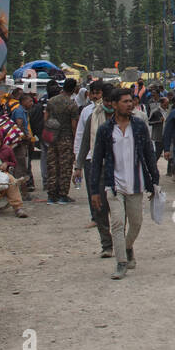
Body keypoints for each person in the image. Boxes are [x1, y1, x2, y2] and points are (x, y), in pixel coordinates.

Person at [88, 88, 159, 279]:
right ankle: (121, 263)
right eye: (125, 101)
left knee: (136, 223)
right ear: (114, 104)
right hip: (113, 184)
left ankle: (128, 247)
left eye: (131, 101)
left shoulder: (138, 126)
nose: (130, 104)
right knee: (118, 224)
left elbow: (148, 154)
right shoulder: (105, 130)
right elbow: (97, 161)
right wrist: (94, 190)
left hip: (136, 184)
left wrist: (155, 181)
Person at [75, 81, 114, 256]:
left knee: (120, 209)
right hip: (96, 165)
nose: (107, 104)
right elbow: (84, 141)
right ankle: (106, 244)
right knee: (99, 206)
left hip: (120, 169)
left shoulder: (129, 119)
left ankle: (122, 244)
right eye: (105, 100)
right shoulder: (92, 116)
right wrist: (78, 165)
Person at [43, 79, 80, 205]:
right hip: (66, 139)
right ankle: (62, 195)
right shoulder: (72, 104)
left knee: (52, 166)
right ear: (74, 89)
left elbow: (46, 118)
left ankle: (51, 195)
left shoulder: (51, 101)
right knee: (65, 167)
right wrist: (75, 142)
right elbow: (74, 126)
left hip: (52, 138)